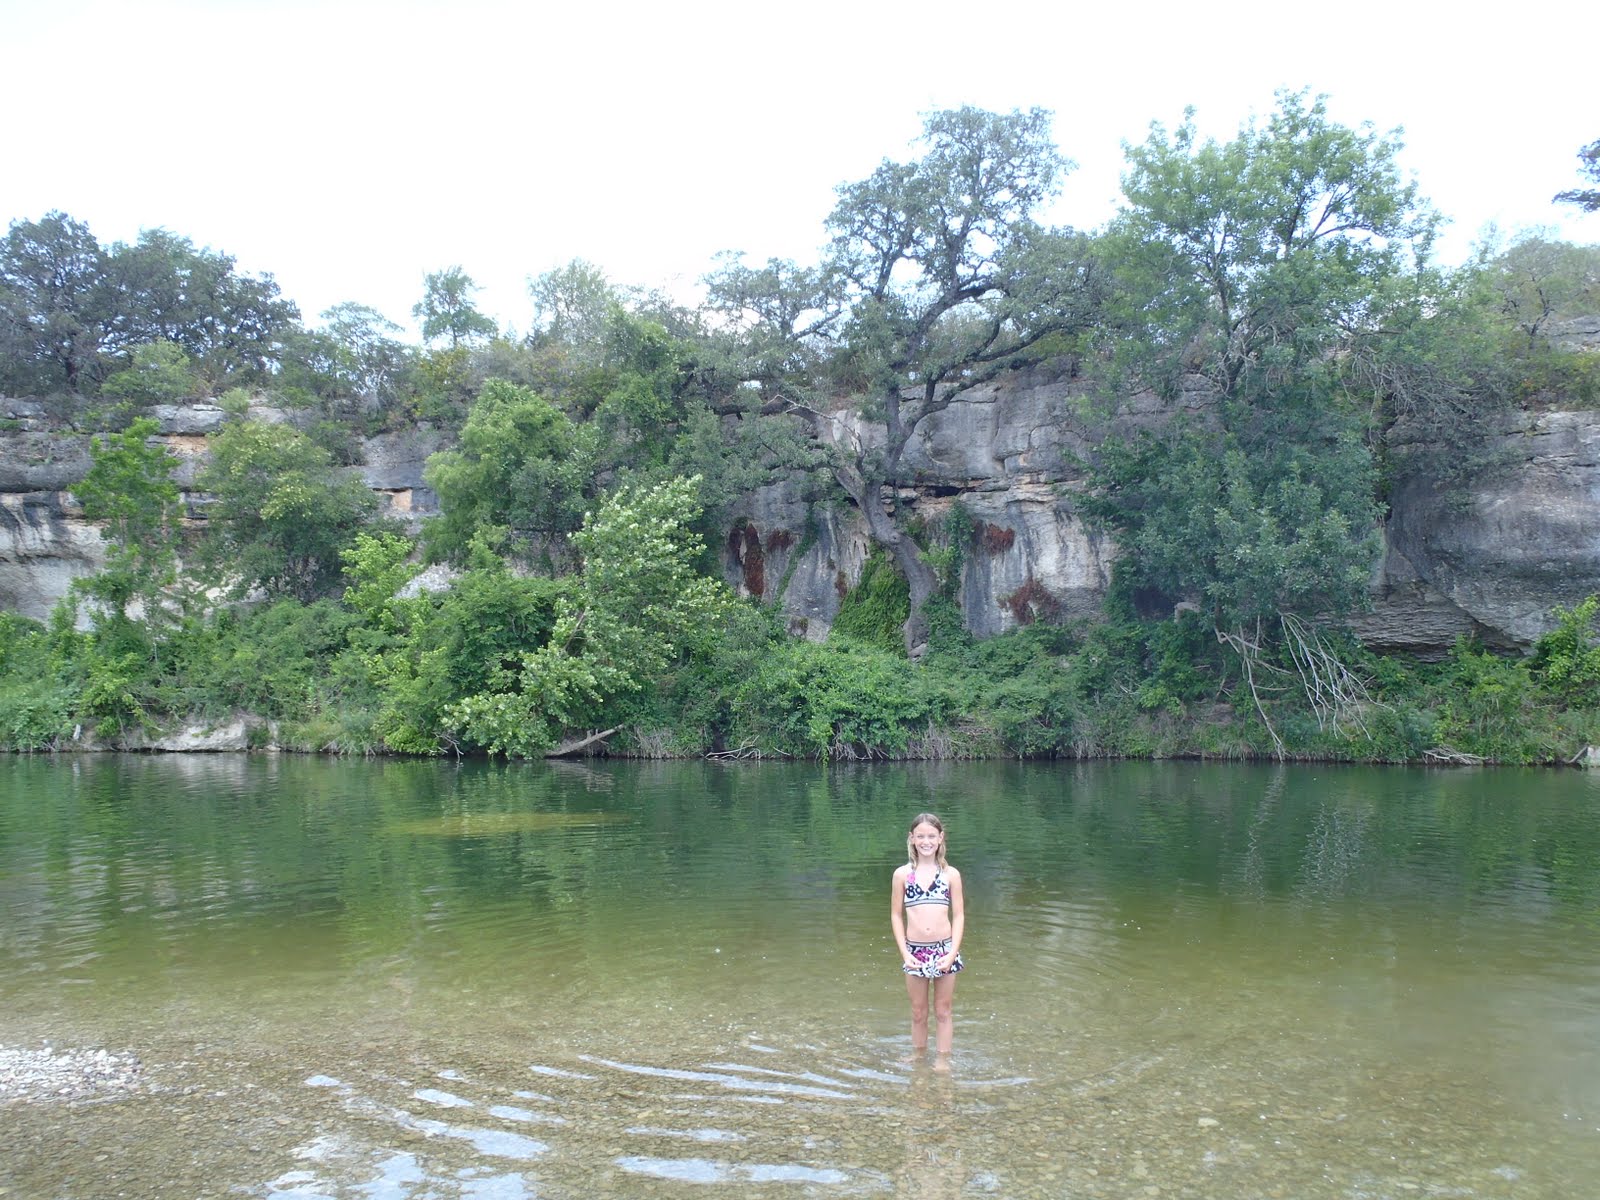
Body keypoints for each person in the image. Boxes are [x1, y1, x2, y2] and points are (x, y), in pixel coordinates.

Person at [890, 812, 964, 1060]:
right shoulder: (902, 875)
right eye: (920, 836)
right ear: (911, 838)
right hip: (914, 952)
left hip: (945, 950)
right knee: (918, 1012)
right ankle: (918, 1057)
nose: (926, 842)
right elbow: (896, 915)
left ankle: (943, 1061)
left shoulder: (950, 874)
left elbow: (959, 916)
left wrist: (952, 953)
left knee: (943, 1011)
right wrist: (905, 953)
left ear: (941, 838)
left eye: (932, 836)